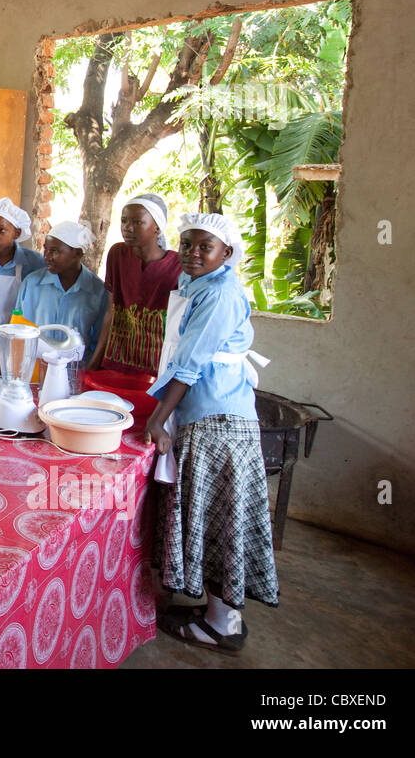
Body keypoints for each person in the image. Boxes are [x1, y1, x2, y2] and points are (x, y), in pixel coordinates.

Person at [144, 212, 276, 654]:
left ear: (227, 253)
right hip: (209, 413)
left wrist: (158, 419)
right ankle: (218, 612)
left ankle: (223, 626)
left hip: (219, 421)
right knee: (217, 517)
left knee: (221, 520)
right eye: (187, 244)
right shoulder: (198, 283)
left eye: (205, 246)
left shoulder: (220, 293)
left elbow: (191, 363)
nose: (193, 253)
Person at [89, 193, 181, 374]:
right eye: (124, 221)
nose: (127, 228)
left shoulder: (178, 267)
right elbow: (111, 312)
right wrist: (95, 362)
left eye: (137, 222)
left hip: (156, 368)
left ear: (157, 228)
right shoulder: (118, 254)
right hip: (116, 362)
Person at [0, 197, 45, 371]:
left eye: (2, 230)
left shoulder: (33, 262)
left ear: (17, 233)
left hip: (15, 330)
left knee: (10, 369)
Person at [14, 220, 108, 353]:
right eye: (45, 249)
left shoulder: (97, 292)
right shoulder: (31, 284)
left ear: (78, 253)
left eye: (54, 251)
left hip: (76, 365)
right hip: (35, 362)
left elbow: (99, 342)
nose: (46, 256)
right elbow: (17, 330)